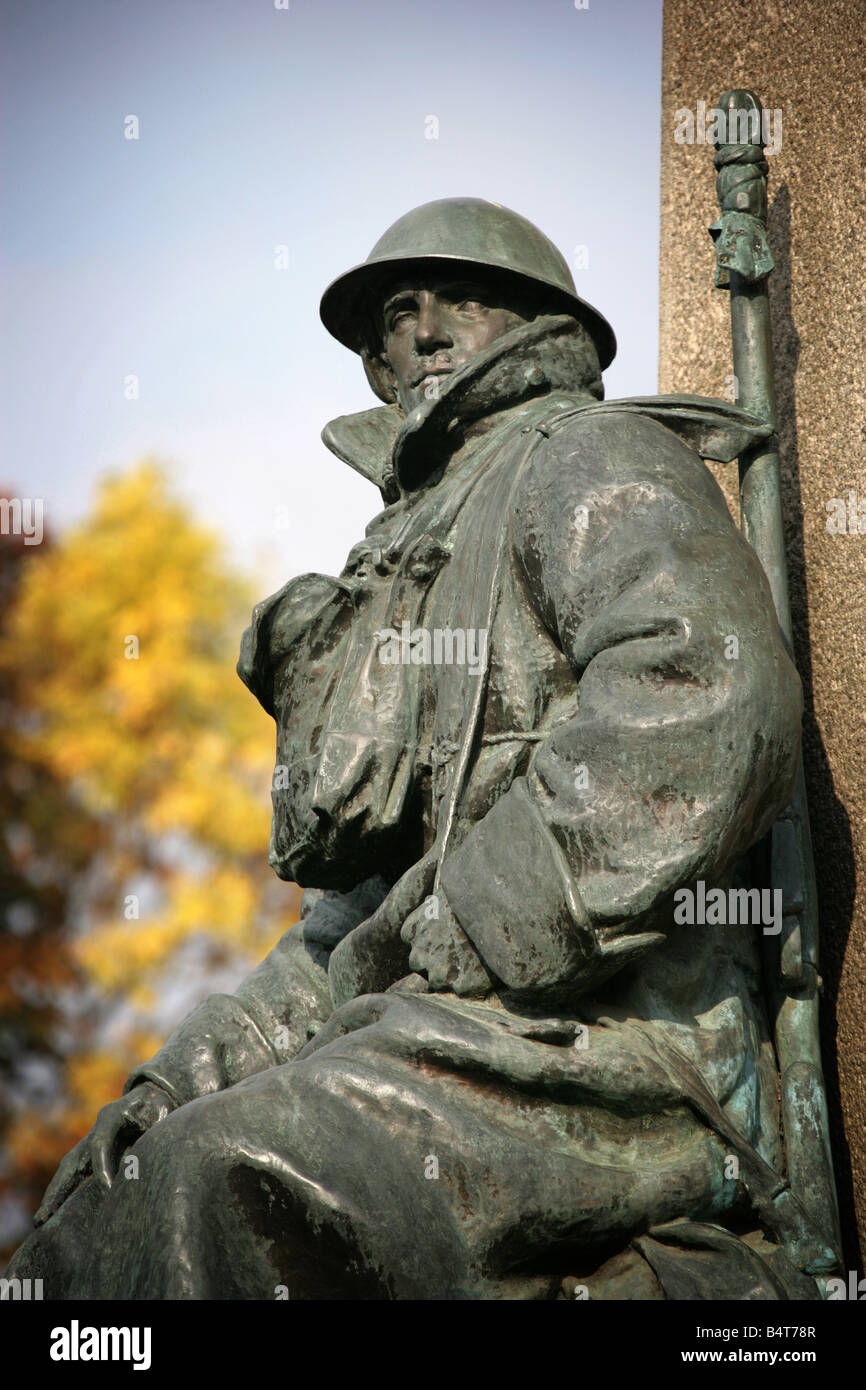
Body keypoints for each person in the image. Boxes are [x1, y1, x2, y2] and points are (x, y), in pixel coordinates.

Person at [5, 198, 838, 1300]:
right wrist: (175, 1081)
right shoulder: (407, 562)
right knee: (95, 1225)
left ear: (537, 321)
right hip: (445, 1042)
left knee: (217, 1179)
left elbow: (705, 686)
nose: (427, 332)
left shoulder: (585, 456)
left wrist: (480, 914)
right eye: (399, 315)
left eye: (463, 300)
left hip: (608, 1050)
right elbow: (351, 924)